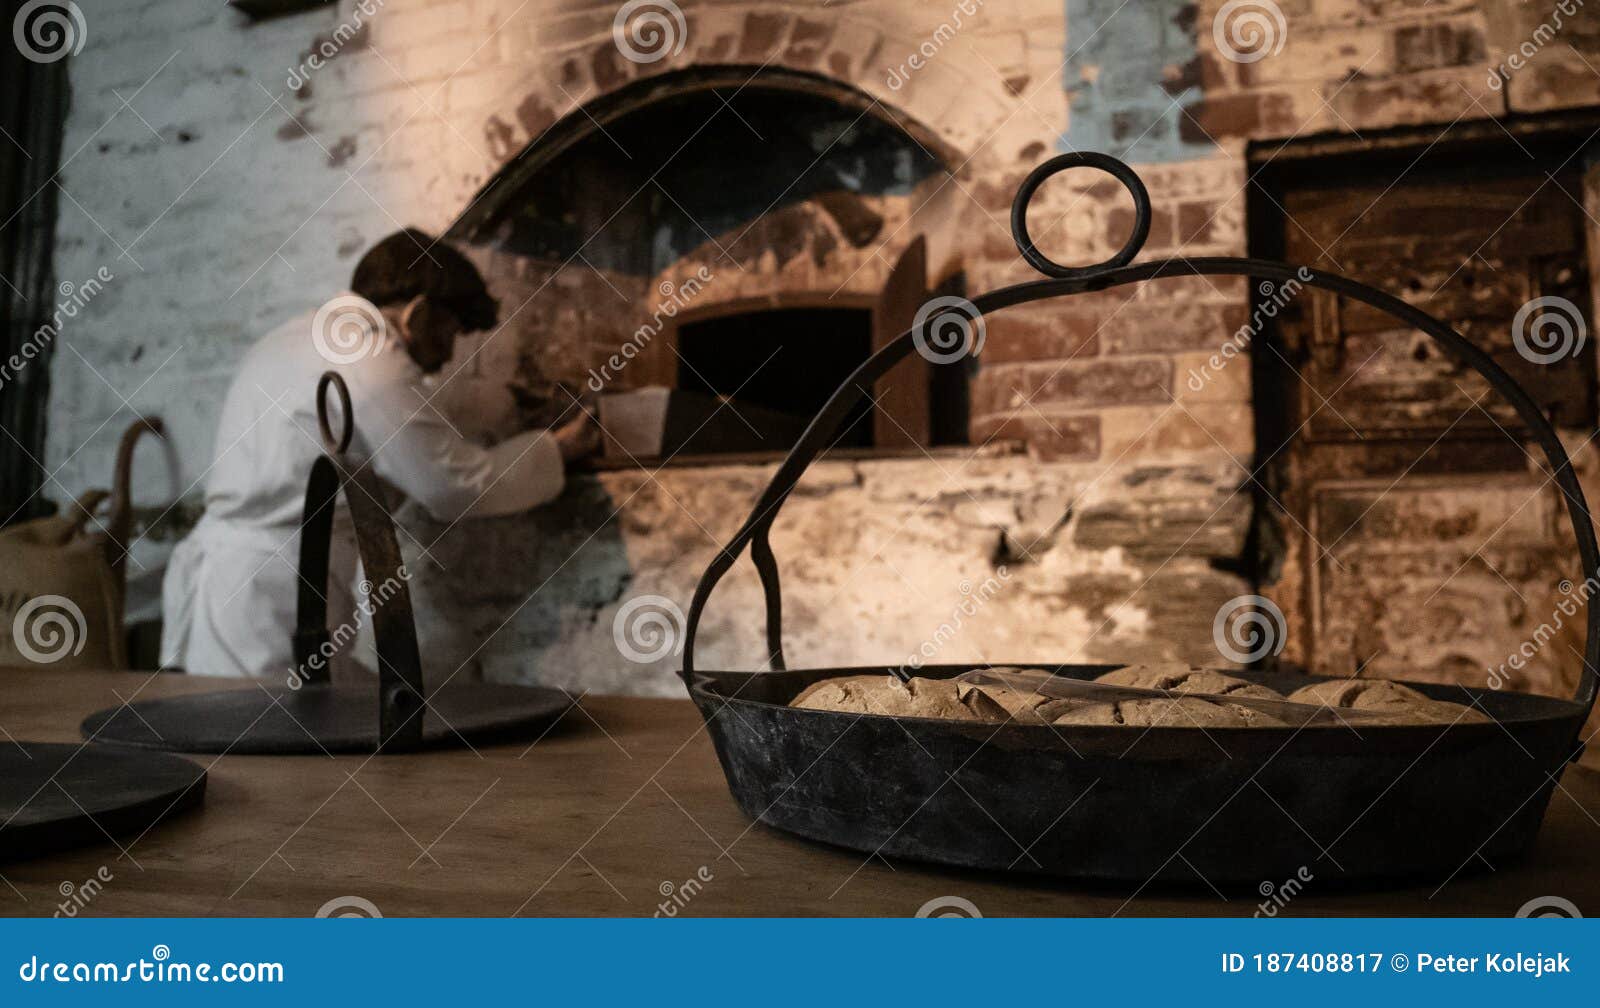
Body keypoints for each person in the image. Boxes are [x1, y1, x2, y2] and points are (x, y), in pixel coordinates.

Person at [160, 229, 599, 678]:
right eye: (450, 331)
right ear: (419, 313)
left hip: (229, 589)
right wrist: (557, 450)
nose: (449, 354)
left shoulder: (294, 337)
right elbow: (449, 485)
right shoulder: (371, 356)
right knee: (290, 736)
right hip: (271, 603)